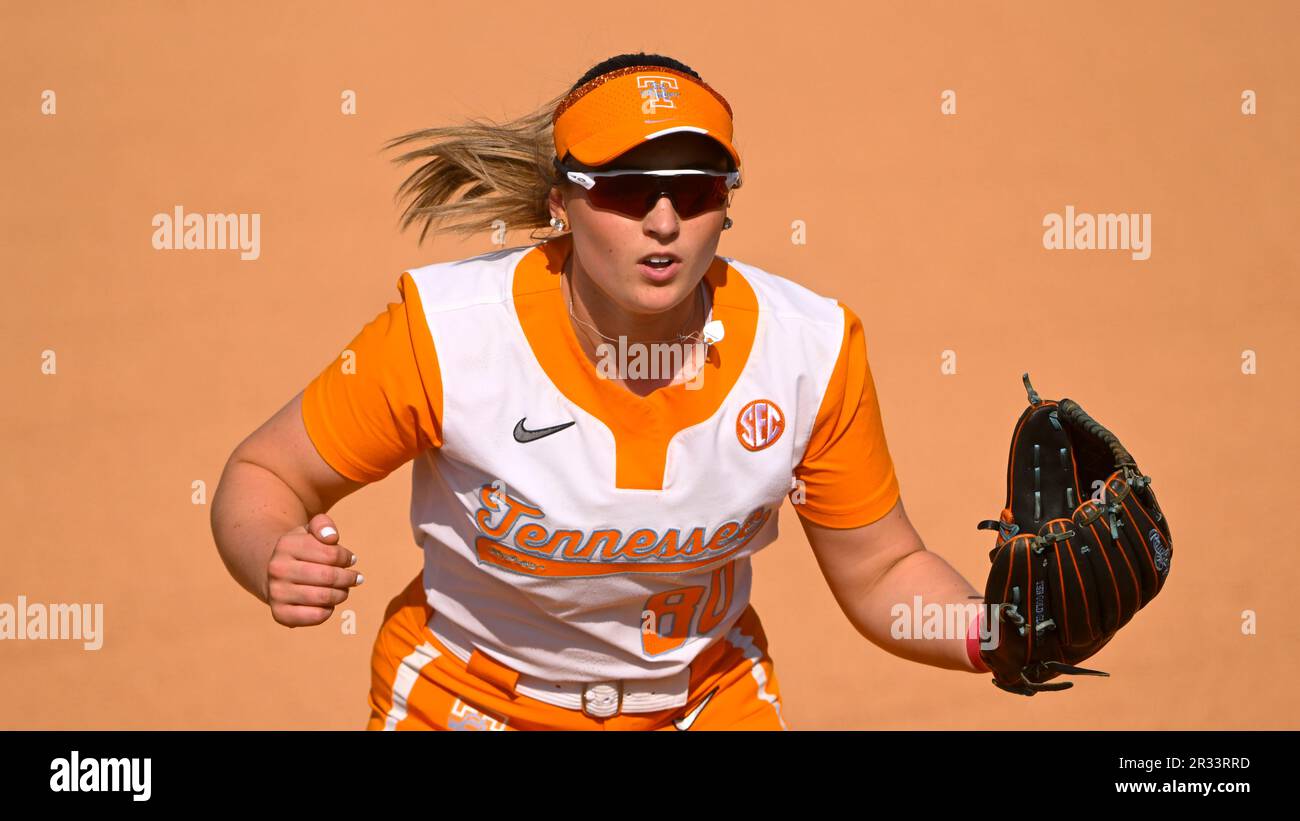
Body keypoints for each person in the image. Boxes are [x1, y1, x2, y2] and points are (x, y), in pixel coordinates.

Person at [210, 51, 990, 731]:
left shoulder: (809, 352)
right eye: (624, 188)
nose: (663, 220)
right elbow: (266, 474)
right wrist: (271, 551)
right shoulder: (448, 336)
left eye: (695, 189)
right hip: (465, 700)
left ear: (726, 202)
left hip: (700, 700)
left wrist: (1000, 633)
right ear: (561, 201)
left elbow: (882, 571)